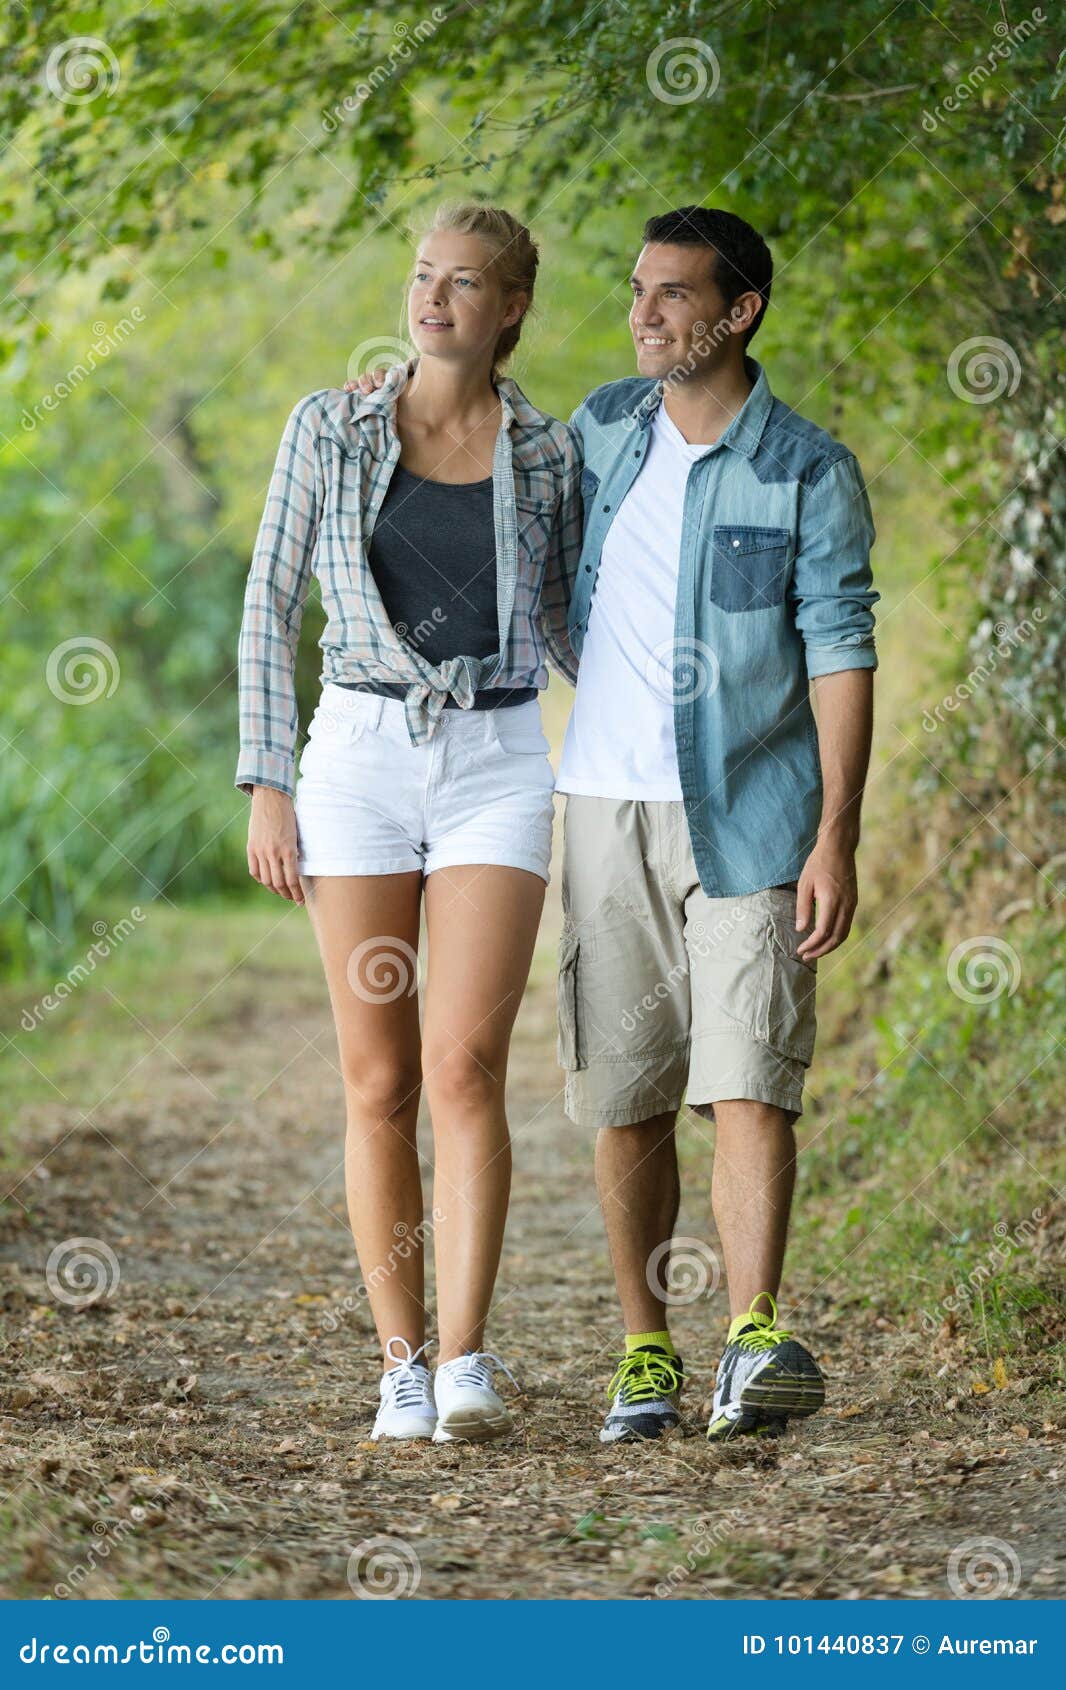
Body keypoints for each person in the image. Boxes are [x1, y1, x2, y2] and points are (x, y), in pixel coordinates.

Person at [350, 203, 879, 1448]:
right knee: (626, 1092)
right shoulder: (595, 433)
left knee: (749, 1075)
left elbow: (839, 650)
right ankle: (645, 1349)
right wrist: (396, 394)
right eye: (637, 290)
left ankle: (749, 1336)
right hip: (600, 806)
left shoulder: (805, 468)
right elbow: (472, 428)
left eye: (671, 295)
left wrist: (835, 833)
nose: (641, 315)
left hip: (752, 811)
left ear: (738, 311)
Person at [235, 202, 581, 1444]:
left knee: (463, 1068)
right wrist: (266, 779)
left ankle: (466, 1359)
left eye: (465, 282)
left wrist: (668, 748)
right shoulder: (327, 427)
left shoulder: (548, 455)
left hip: (495, 755)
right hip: (358, 758)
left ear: (510, 307)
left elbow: (571, 627)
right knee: (377, 1078)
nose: (434, 298)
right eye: (424, 276)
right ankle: (399, 1365)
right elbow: (269, 601)